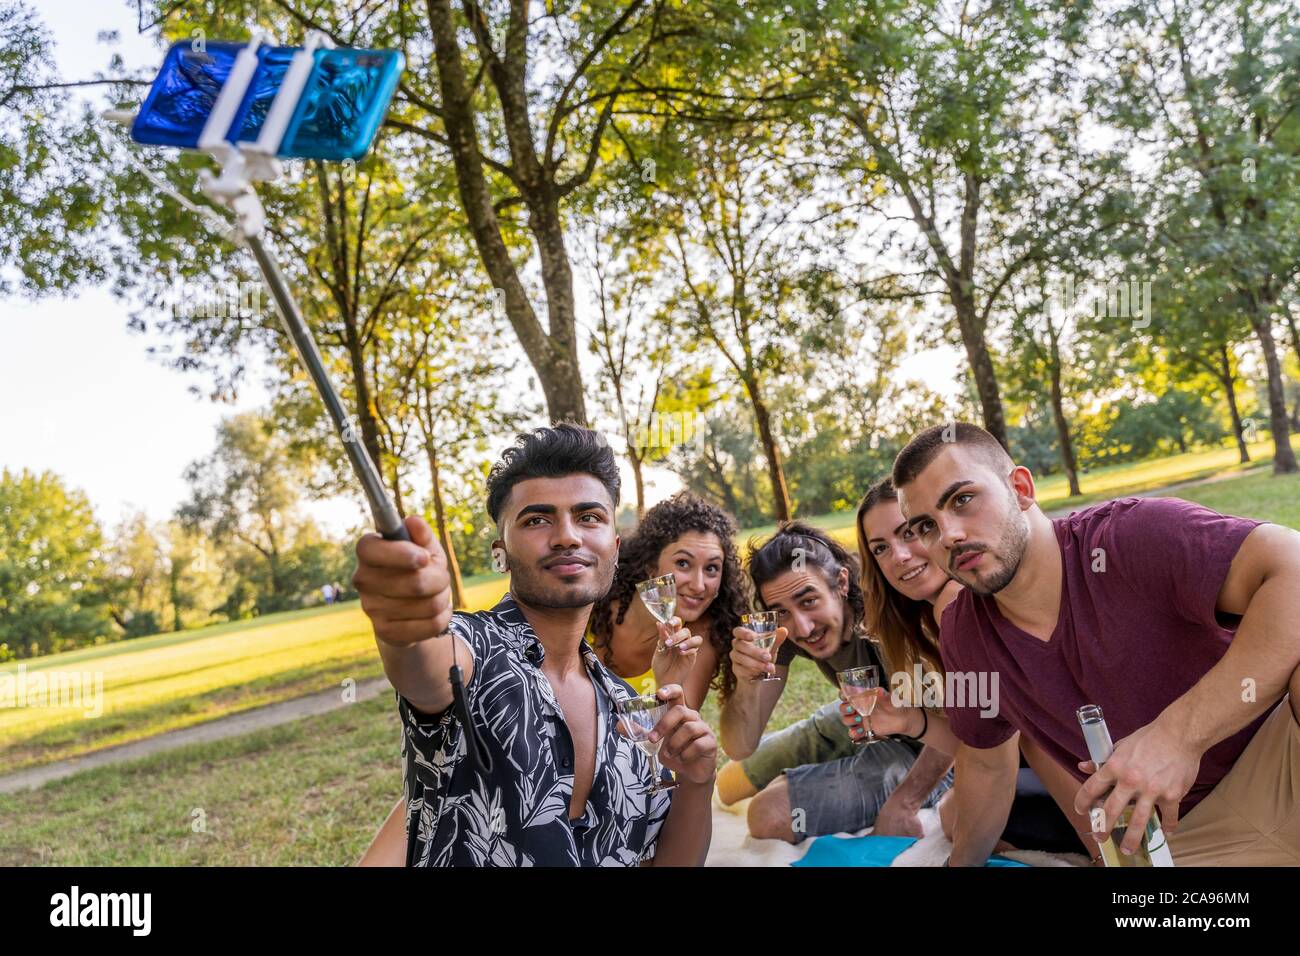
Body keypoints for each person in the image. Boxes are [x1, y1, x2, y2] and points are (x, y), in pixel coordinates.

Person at [892, 421, 1300, 866]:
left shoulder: (1128, 536)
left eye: (963, 499)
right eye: (926, 526)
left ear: (1021, 488)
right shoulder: (965, 636)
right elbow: (987, 767)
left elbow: (1293, 567)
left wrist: (1179, 735)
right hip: (1174, 837)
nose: (949, 534)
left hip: (1279, 752)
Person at [352, 423, 717, 866]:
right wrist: (405, 627)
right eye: (537, 519)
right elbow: (426, 666)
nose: (567, 536)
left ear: (615, 548)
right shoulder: (475, 648)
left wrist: (697, 782)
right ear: (500, 551)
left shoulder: (631, 713)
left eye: (589, 517)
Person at [853, 476, 1090, 854]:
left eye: (910, 533)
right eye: (880, 548)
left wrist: (1103, 848)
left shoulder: (955, 603)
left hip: (1091, 777)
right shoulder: (942, 610)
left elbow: (1013, 747)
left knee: (957, 815)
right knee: (951, 811)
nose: (898, 556)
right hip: (1077, 769)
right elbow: (986, 738)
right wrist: (909, 721)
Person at [715, 521, 953, 843]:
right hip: (862, 716)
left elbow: (956, 727)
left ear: (841, 582)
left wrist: (905, 802)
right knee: (728, 784)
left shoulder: (888, 618)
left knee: (769, 815)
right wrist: (746, 682)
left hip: (932, 745)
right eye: (781, 611)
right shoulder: (787, 632)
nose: (802, 628)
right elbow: (739, 745)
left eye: (809, 600)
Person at [587, 492, 750, 710]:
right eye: (683, 563)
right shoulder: (593, 604)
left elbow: (677, 731)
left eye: (711, 568)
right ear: (651, 566)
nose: (699, 585)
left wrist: (670, 681)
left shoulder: (700, 637)